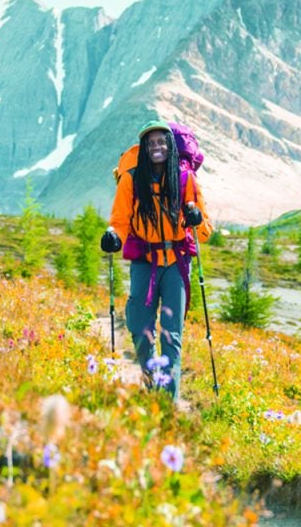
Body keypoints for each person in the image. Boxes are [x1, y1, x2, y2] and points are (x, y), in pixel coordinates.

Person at [100, 120, 211, 400]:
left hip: (176, 263)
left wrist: (196, 219)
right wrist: (113, 235)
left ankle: (167, 402)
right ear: (144, 149)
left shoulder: (185, 179)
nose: (156, 147)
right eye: (151, 144)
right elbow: (120, 219)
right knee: (139, 327)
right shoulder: (131, 179)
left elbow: (205, 230)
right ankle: (151, 384)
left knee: (171, 335)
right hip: (145, 261)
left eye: (161, 142)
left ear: (170, 146)